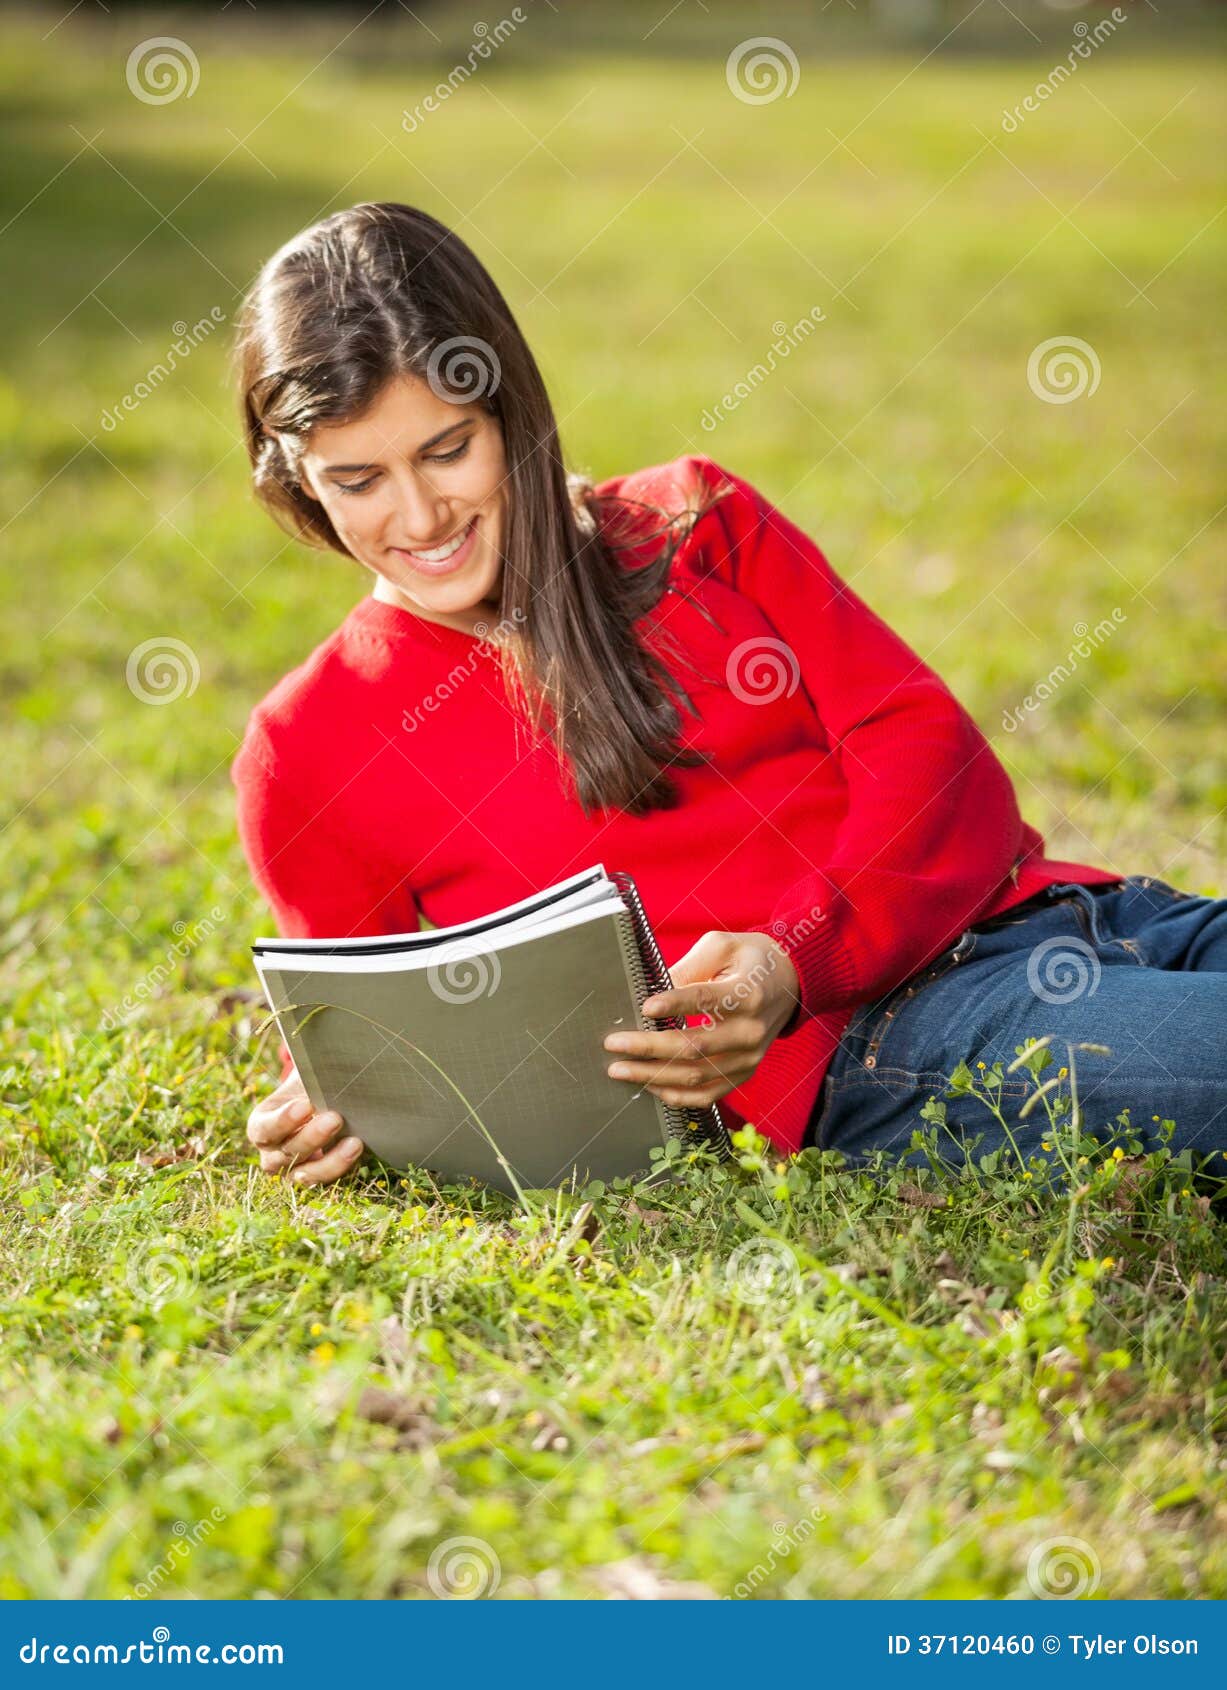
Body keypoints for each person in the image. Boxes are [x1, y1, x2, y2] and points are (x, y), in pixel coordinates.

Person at [231, 202, 1227, 1189]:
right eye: (357, 479)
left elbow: (925, 747)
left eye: (449, 450)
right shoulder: (305, 746)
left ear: (510, 413)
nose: (419, 514)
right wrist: (311, 1102)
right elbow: (369, 1029)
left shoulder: (692, 519)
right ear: (298, 479)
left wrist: (796, 953)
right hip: (889, 1038)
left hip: (1061, 912)